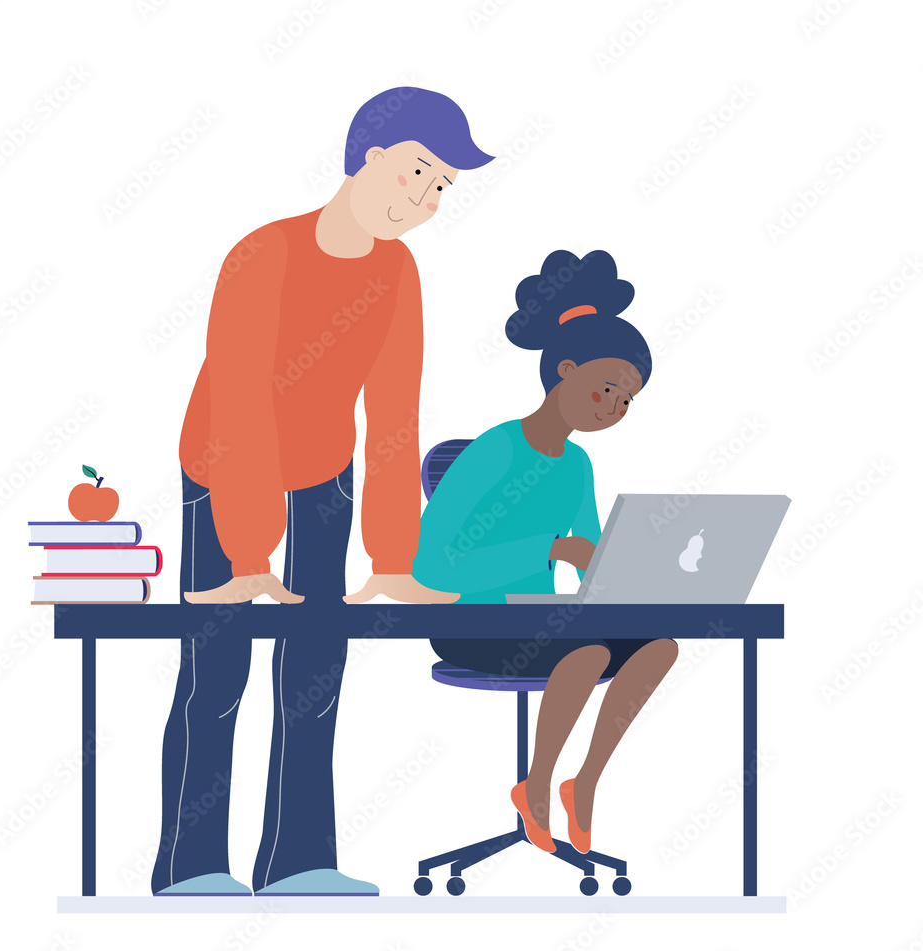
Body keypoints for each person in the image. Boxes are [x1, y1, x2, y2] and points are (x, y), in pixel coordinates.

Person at [152, 88, 492, 897]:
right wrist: (246, 549)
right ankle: (191, 863)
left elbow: (395, 416)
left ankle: (299, 858)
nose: (425, 199)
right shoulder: (262, 256)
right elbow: (237, 404)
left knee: (315, 663)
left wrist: (392, 556)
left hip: (323, 473)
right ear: (367, 157)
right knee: (217, 668)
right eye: (418, 172)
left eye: (442, 187)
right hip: (224, 469)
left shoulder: (398, 273)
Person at [412, 249, 679, 854]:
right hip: (469, 619)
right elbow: (431, 566)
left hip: (542, 619)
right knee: (584, 653)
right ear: (563, 369)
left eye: (627, 400)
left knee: (659, 646)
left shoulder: (579, 464)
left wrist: (620, 575)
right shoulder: (494, 451)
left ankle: (580, 786)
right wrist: (548, 546)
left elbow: (586, 557)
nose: (614, 406)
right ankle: (534, 787)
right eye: (608, 387)